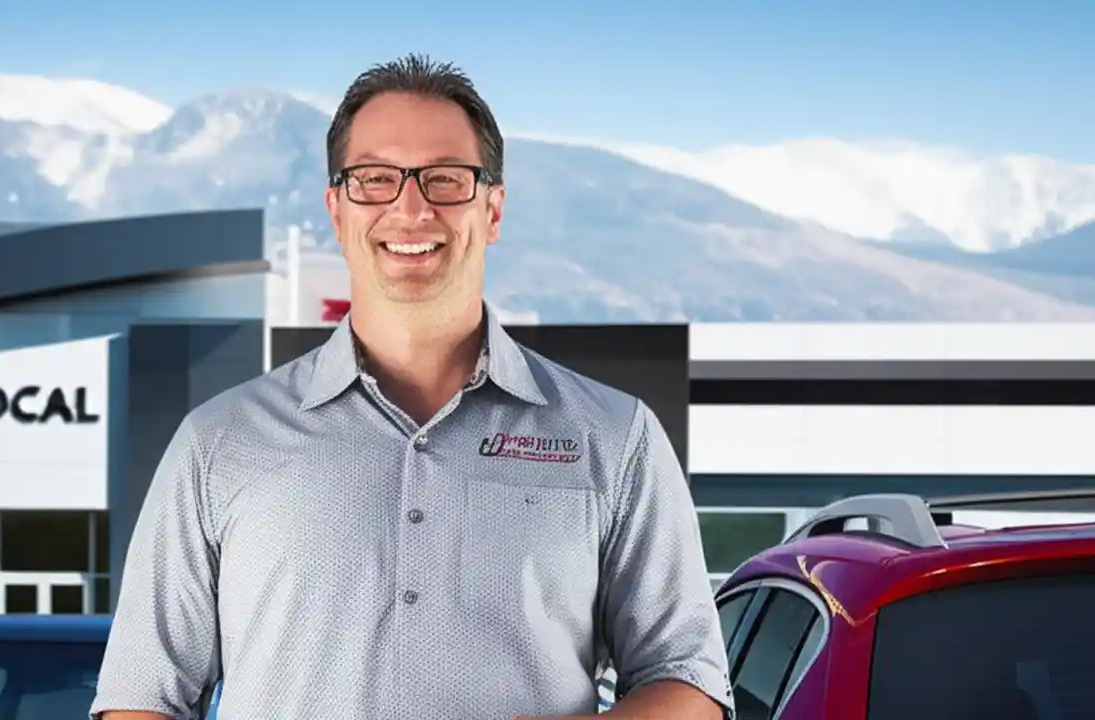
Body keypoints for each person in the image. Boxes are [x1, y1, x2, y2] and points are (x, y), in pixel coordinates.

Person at [90, 53, 733, 720]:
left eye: (446, 180)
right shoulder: (219, 443)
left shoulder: (612, 437)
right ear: (337, 211)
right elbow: (141, 699)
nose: (411, 207)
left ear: (493, 210)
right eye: (375, 179)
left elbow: (691, 682)